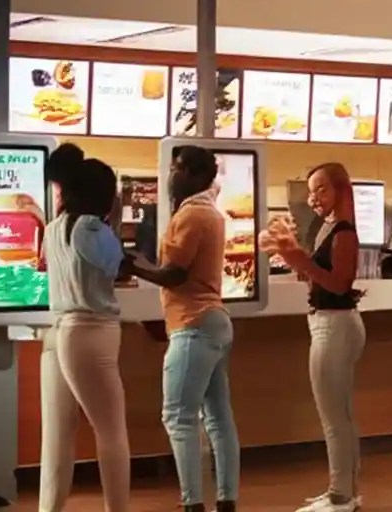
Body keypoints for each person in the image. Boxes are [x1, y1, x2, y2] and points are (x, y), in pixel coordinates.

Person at [129, 146, 239, 512]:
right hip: (215, 322)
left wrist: (136, 266)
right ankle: (226, 500)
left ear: (192, 174)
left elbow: (174, 273)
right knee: (219, 419)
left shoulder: (191, 214)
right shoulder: (213, 213)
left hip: (192, 324)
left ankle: (192, 504)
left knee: (178, 416)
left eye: (176, 168)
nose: (171, 175)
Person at [261, 163, 365, 512]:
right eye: (311, 190)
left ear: (340, 189)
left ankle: (341, 496)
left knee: (334, 418)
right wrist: (293, 255)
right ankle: (346, 490)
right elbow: (315, 278)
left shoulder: (345, 231)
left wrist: (298, 259)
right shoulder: (326, 228)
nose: (314, 197)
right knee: (342, 415)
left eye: (322, 188)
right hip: (330, 324)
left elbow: (339, 283)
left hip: (334, 327)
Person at [38, 155, 131, 512]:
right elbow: (117, 265)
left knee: (58, 436)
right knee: (110, 430)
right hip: (92, 332)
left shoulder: (53, 227)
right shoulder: (92, 228)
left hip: (59, 331)